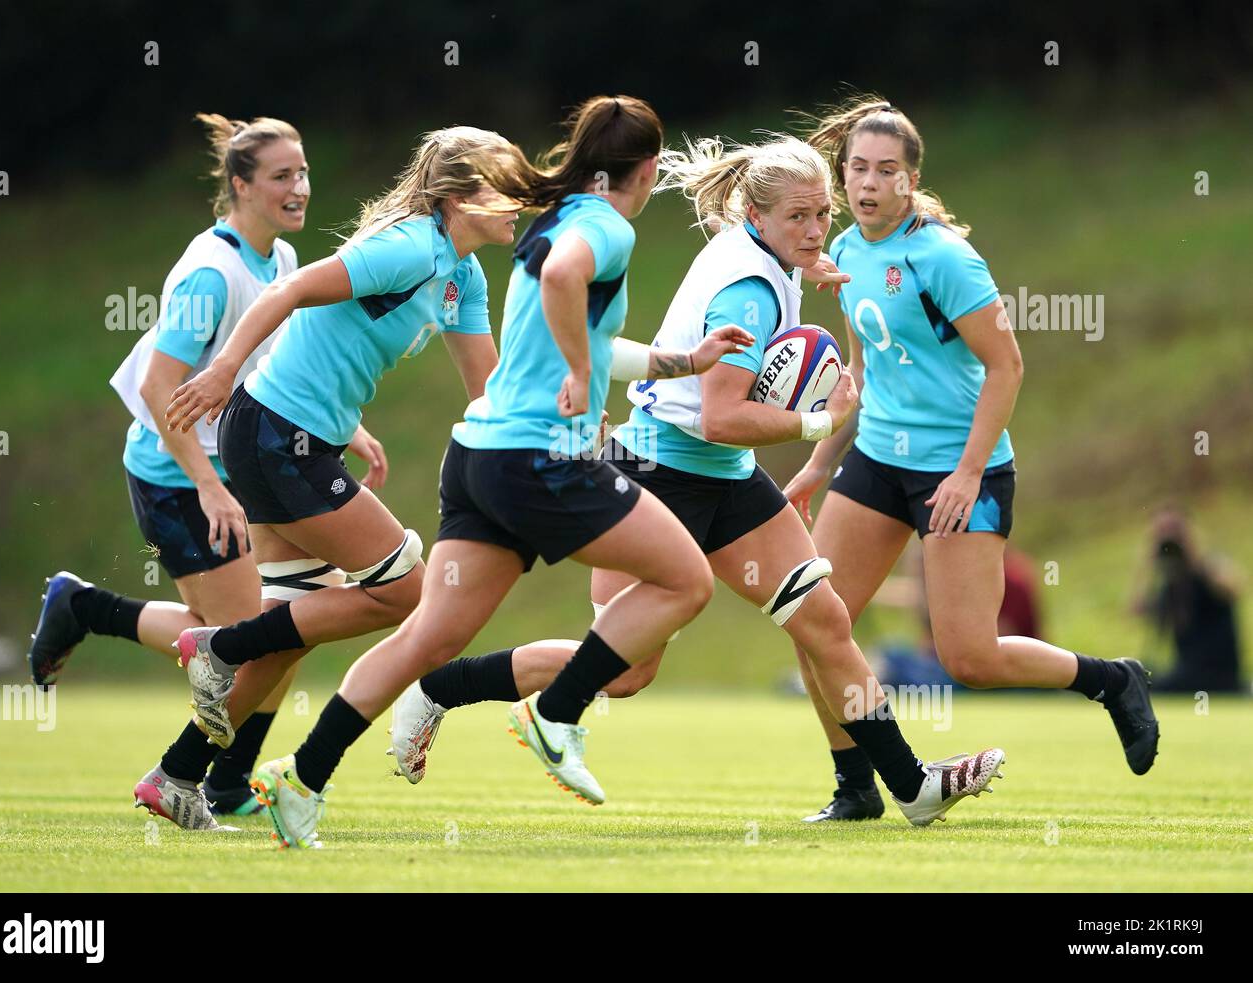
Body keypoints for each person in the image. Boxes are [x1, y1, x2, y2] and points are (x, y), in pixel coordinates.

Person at [390, 133, 1008, 834]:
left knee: (825, 621)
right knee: (624, 673)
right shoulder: (747, 289)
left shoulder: (760, 244)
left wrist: (811, 262)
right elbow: (719, 418)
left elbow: (741, 244)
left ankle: (905, 786)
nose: (814, 230)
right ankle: (439, 688)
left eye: (822, 215)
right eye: (799, 217)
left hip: (728, 482)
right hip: (662, 475)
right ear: (759, 214)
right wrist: (816, 425)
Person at [247, 95, 761, 849]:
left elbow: (571, 321)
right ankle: (557, 713)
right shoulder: (604, 227)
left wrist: (681, 360)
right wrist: (582, 378)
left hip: (478, 459)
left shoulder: (554, 218)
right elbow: (562, 284)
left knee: (427, 636)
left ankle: (301, 780)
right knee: (685, 580)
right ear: (647, 169)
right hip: (539, 461)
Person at [133, 124, 525, 830]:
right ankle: (219, 644)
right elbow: (288, 290)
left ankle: (177, 773)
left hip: (297, 442)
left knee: (289, 632)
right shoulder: (410, 246)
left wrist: (556, 421)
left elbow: (486, 390)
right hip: (277, 437)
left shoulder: (462, 274)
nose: (520, 199)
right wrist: (223, 370)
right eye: (507, 184)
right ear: (462, 196)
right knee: (406, 587)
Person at [779, 95, 1158, 822]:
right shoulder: (850, 250)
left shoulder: (945, 258)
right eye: (857, 168)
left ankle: (1112, 679)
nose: (867, 183)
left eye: (885, 170)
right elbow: (863, 371)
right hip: (877, 462)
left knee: (970, 658)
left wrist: (966, 471)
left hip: (959, 468)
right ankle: (855, 787)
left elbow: (1007, 366)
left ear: (910, 179)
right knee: (814, 620)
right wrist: (817, 465)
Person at [25, 113, 368, 821]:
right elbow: (159, 388)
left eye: (302, 172)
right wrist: (210, 486)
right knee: (254, 636)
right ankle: (87, 610)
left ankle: (224, 779)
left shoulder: (276, 261)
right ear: (240, 186)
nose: (299, 186)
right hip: (176, 472)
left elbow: (266, 365)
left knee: (288, 620)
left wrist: (352, 429)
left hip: (231, 464)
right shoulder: (212, 273)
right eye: (282, 176)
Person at [1133, 505, 1243, 693]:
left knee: (1143, 686)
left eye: (1173, 530)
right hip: (1186, 670)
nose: (1169, 539)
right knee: (1138, 674)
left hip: (1217, 673)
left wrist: (1192, 555)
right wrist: (1148, 566)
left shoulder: (1209, 570)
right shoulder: (1171, 584)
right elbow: (1137, 610)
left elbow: (1234, 588)